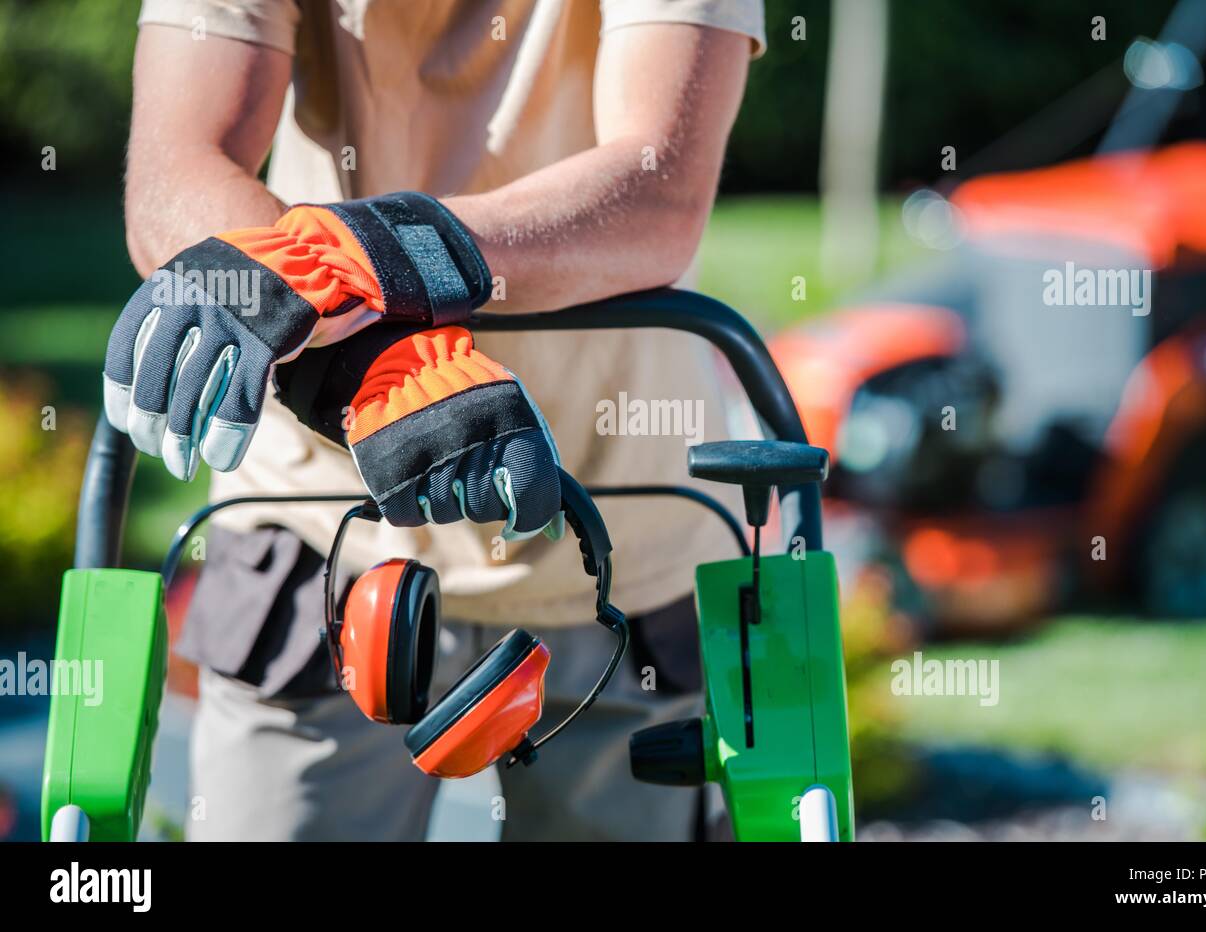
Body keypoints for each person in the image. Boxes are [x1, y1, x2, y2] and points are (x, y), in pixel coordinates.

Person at [111, 0, 765, 841]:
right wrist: (373, 369)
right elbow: (175, 169)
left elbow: (657, 189)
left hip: (618, 542)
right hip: (322, 535)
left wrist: (364, 259)